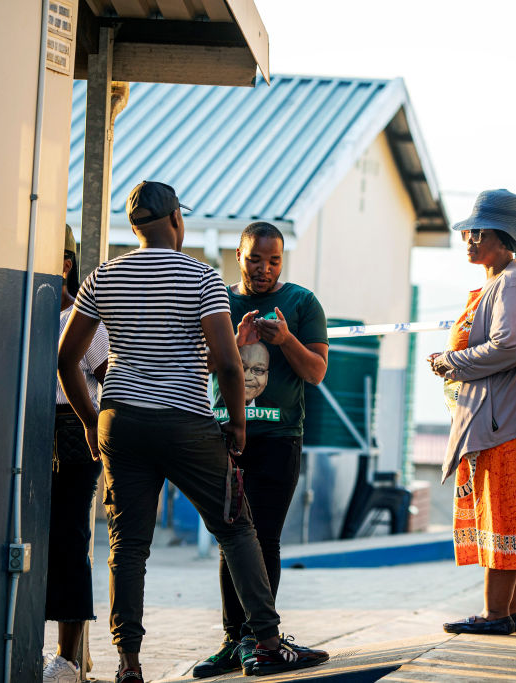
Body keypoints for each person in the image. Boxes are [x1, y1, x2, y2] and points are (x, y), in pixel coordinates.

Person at [58, 182, 329, 682]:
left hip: (121, 422)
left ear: (136, 225)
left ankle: (130, 662)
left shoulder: (103, 277)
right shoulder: (201, 278)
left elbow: (67, 359)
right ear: (177, 222)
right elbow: (228, 364)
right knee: (236, 527)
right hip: (186, 421)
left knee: (127, 545)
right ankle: (266, 640)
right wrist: (239, 426)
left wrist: (89, 419)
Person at [194, 221, 328, 678]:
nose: (264, 269)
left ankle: (258, 638)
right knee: (229, 540)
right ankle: (236, 640)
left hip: (278, 441)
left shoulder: (302, 303)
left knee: (263, 536)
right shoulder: (220, 300)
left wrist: (286, 339)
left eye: (273, 261)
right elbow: (199, 366)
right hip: (225, 436)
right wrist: (238, 343)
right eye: (255, 259)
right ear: (239, 254)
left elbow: (316, 372)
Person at [427, 189, 516, 636]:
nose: (470, 239)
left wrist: (452, 362)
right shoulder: (505, 279)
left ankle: (496, 615)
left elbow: (511, 344)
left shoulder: (513, 281)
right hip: (507, 421)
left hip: (505, 426)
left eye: (480, 233)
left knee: (503, 519)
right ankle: (509, 610)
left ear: (506, 237)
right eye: (469, 232)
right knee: (510, 520)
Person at [43, 225, 109, 683]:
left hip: (73, 431)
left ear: (66, 264)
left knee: (68, 540)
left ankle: (68, 657)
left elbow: (111, 378)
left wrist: (101, 429)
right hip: (23, 432)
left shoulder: (81, 322)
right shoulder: (23, 315)